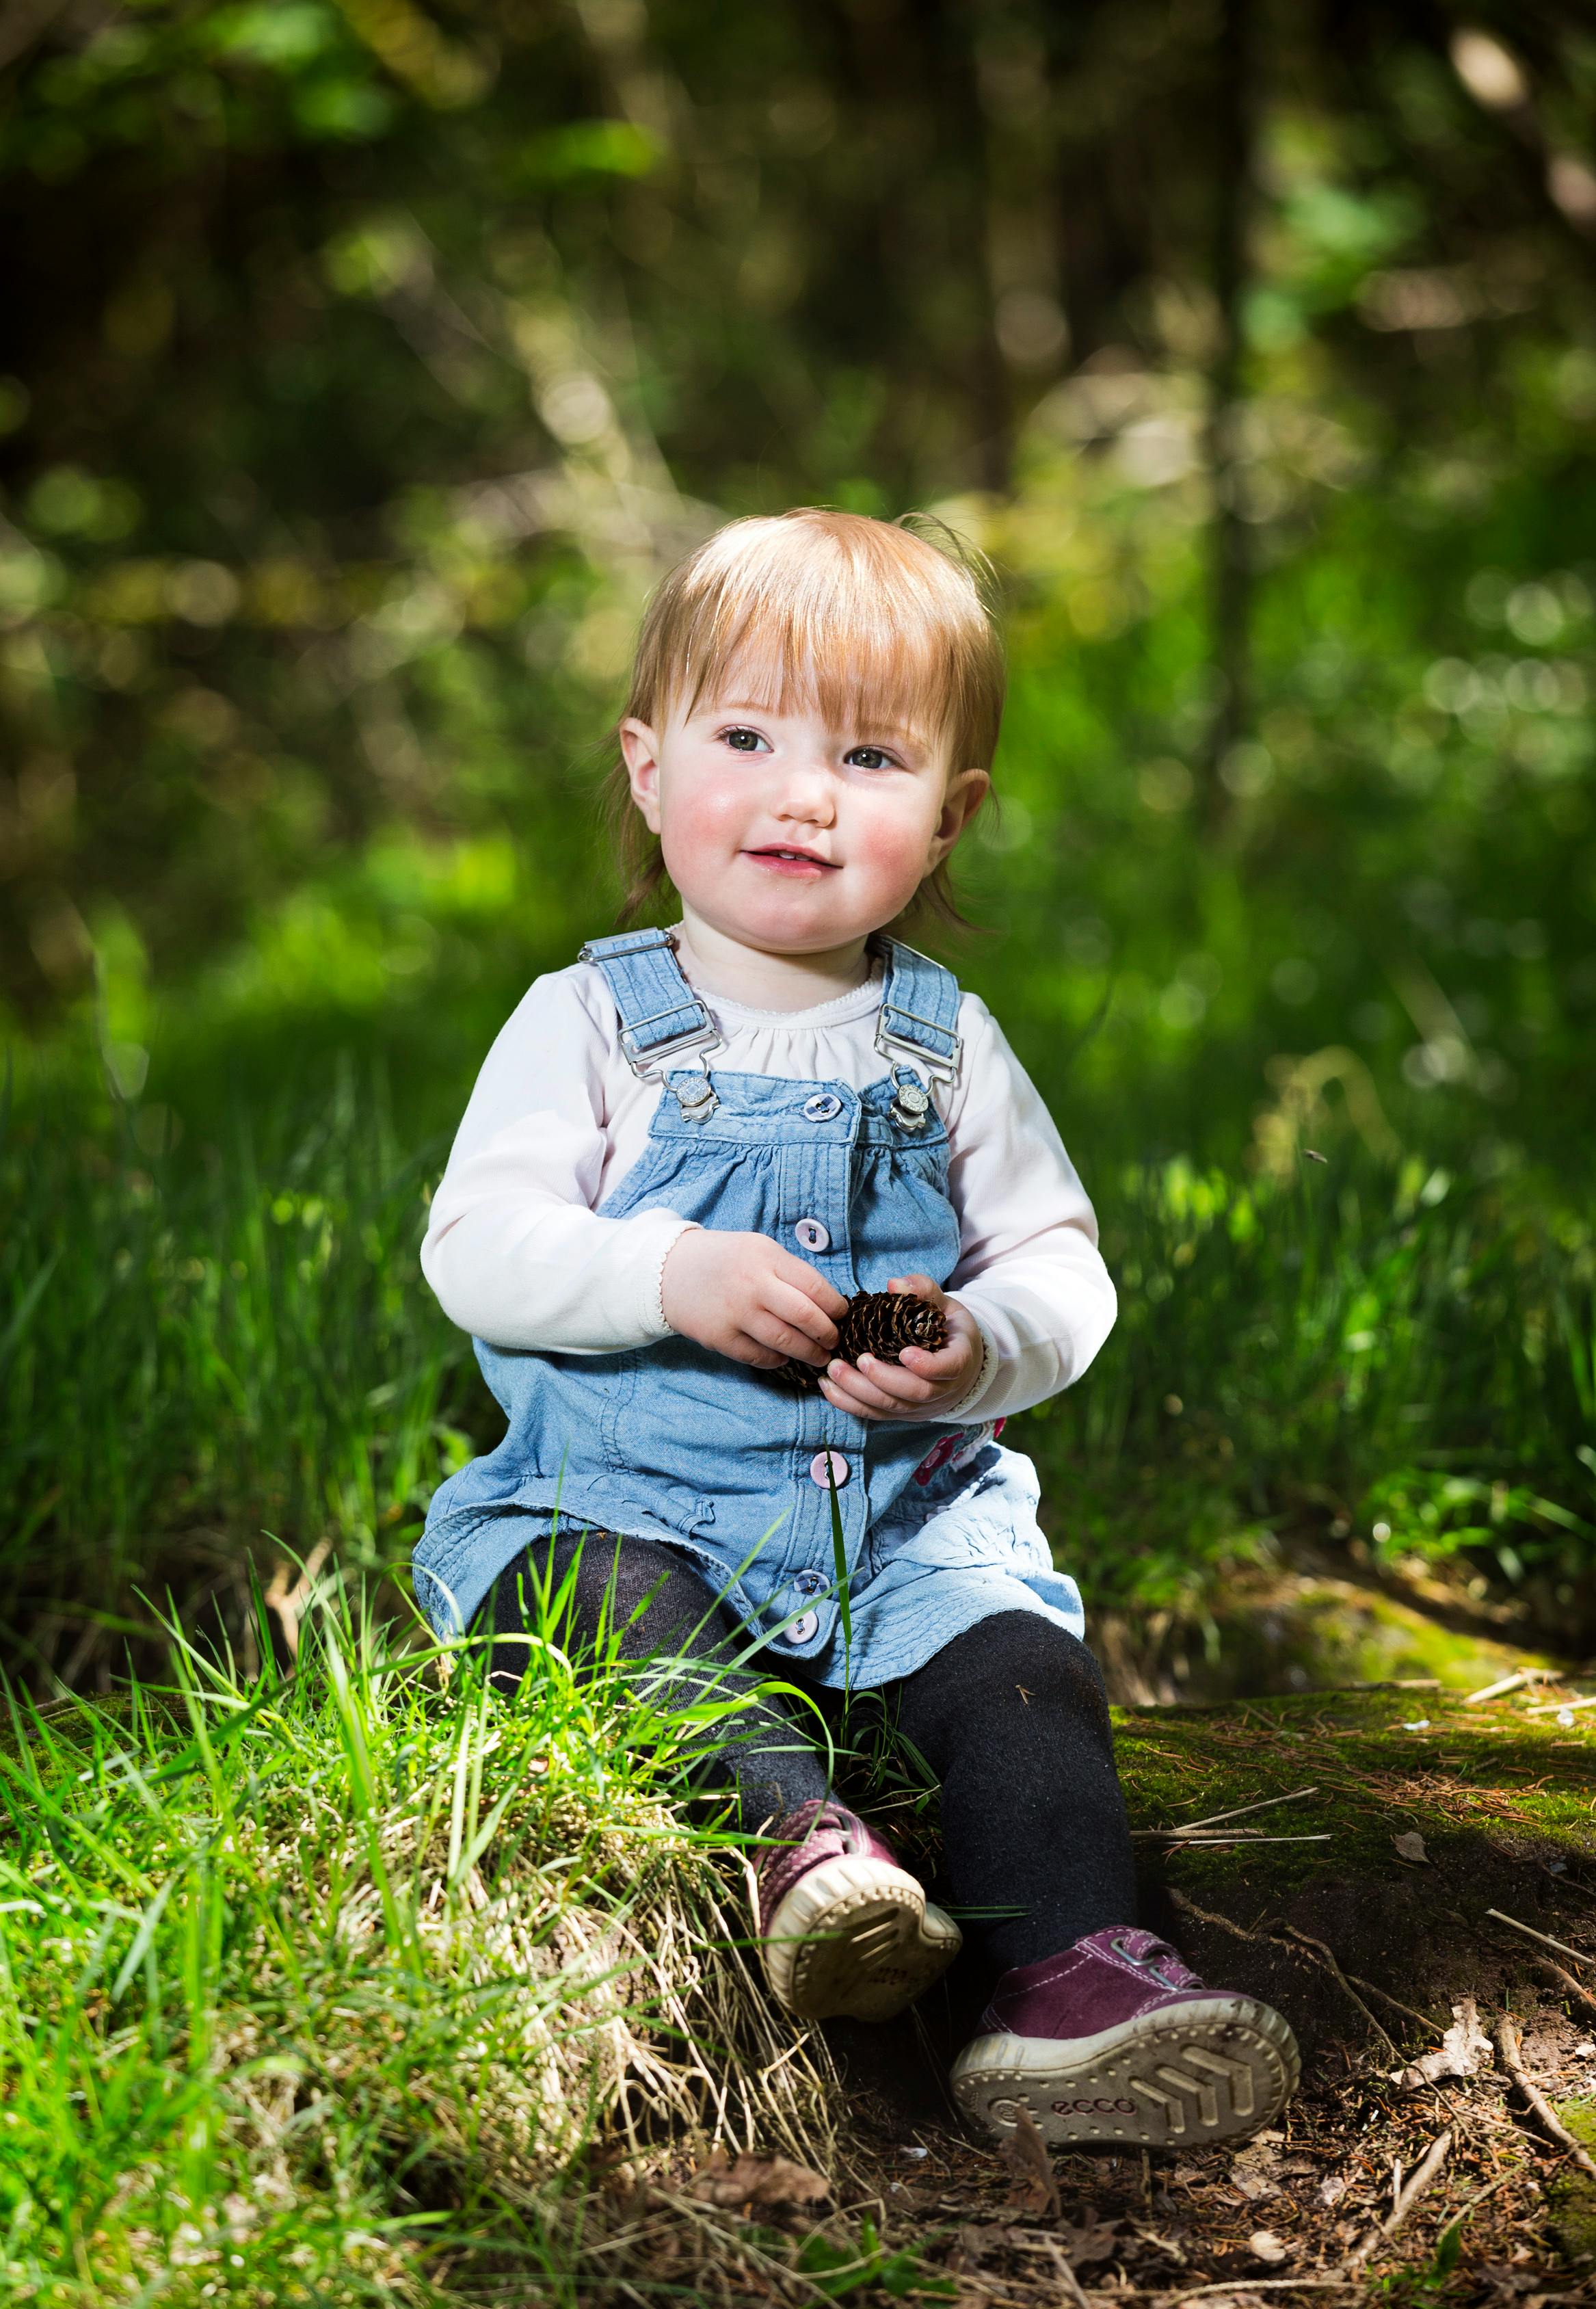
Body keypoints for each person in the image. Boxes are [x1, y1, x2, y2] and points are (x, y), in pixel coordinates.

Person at [411, 509, 1297, 2150]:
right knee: (599, 1611)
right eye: (745, 735)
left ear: (952, 816)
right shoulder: (595, 1020)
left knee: (1026, 1680)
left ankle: (1078, 1985)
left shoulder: (948, 1048)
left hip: (902, 1524)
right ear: (647, 763)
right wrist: (662, 1272)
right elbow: (476, 1246)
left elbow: (1061, 1259)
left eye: (870, 754)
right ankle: (800, 1847)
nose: (805, 791)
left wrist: (982, 1340)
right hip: (629, 1504)